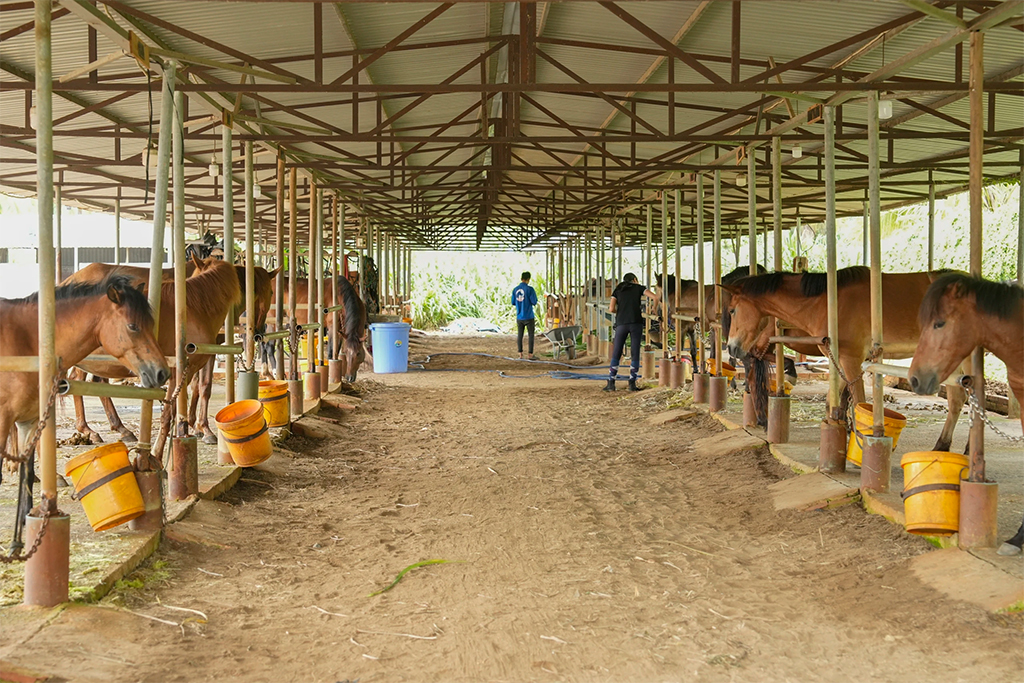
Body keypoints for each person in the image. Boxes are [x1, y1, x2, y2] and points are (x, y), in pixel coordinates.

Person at [605, 273, 659, 392]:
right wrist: (654, 309)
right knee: (635, 351)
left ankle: (611, 382)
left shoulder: (618, 289)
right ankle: (632, 383)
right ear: (635, 279)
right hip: (636, 323)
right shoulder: (639, 288)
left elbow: (611, 309)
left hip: (621, 323)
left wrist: (621, 311)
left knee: (617, 351)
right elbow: (655, 297)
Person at [511, 271, 539, 359]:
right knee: (531, 335)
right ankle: (530, 354)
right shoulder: (530, 289)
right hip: (529, 316)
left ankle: (520, 354)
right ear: (528, 279)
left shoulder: (515, 290)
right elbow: (534, 301)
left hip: (519, 316)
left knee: (520, 335)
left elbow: (513, 302)